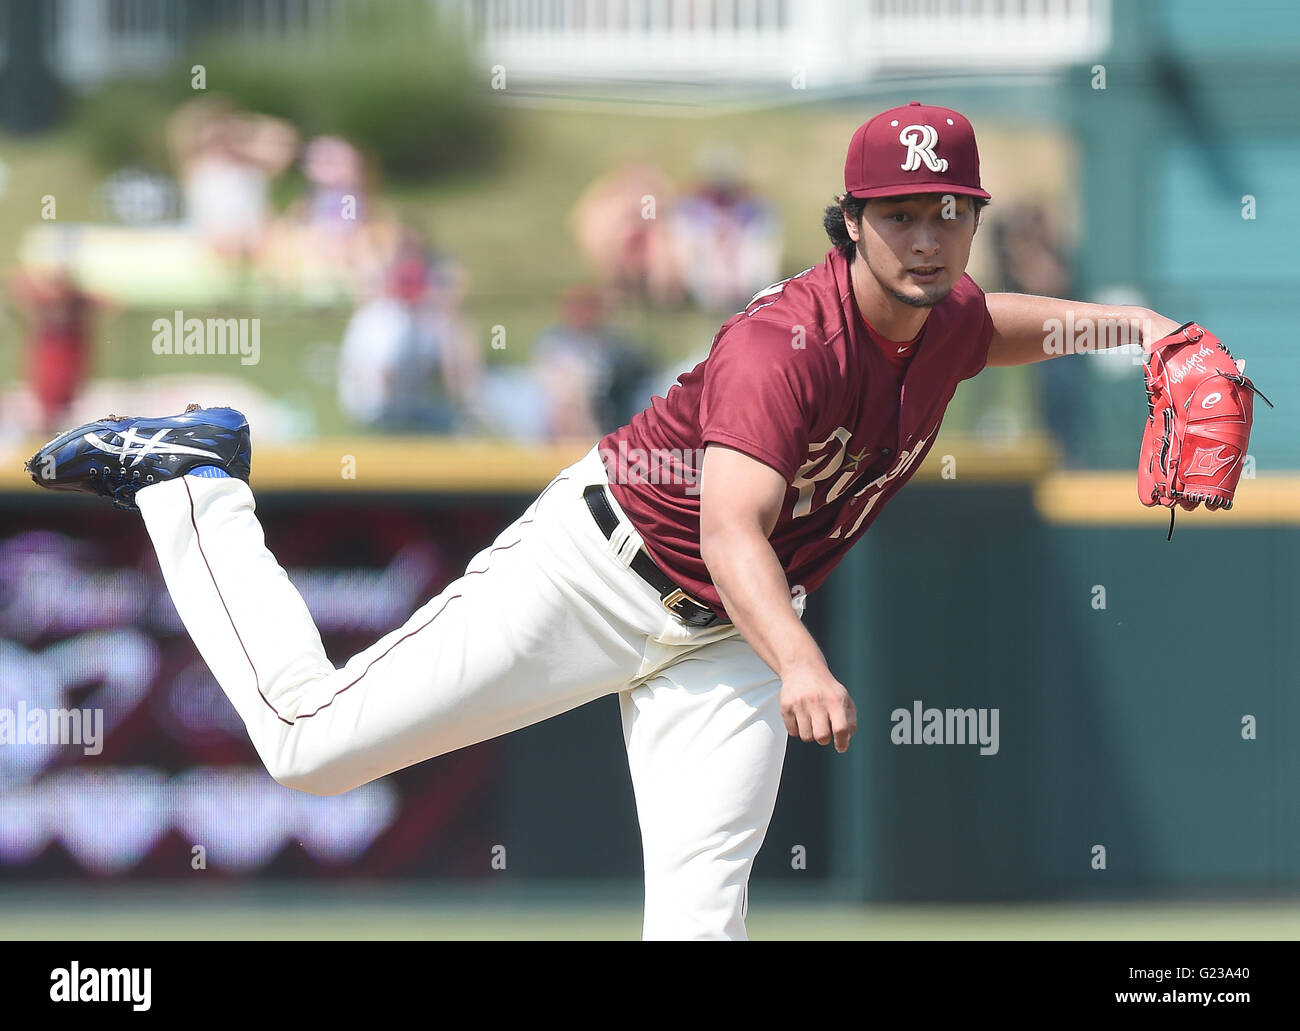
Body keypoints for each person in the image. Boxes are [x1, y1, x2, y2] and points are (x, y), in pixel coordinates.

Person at [25, 103, 1183, 939]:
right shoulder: (783, 347)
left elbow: (1000, 324)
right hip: (603, 570)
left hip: (725, 640)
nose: (926, 236)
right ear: (849, 224)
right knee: (308, 743)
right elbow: (734, 526)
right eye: (899, 214)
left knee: (697, 922)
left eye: (947, 211)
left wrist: (1141, 335)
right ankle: (191, 481)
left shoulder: (948, 311)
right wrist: (800, 659)